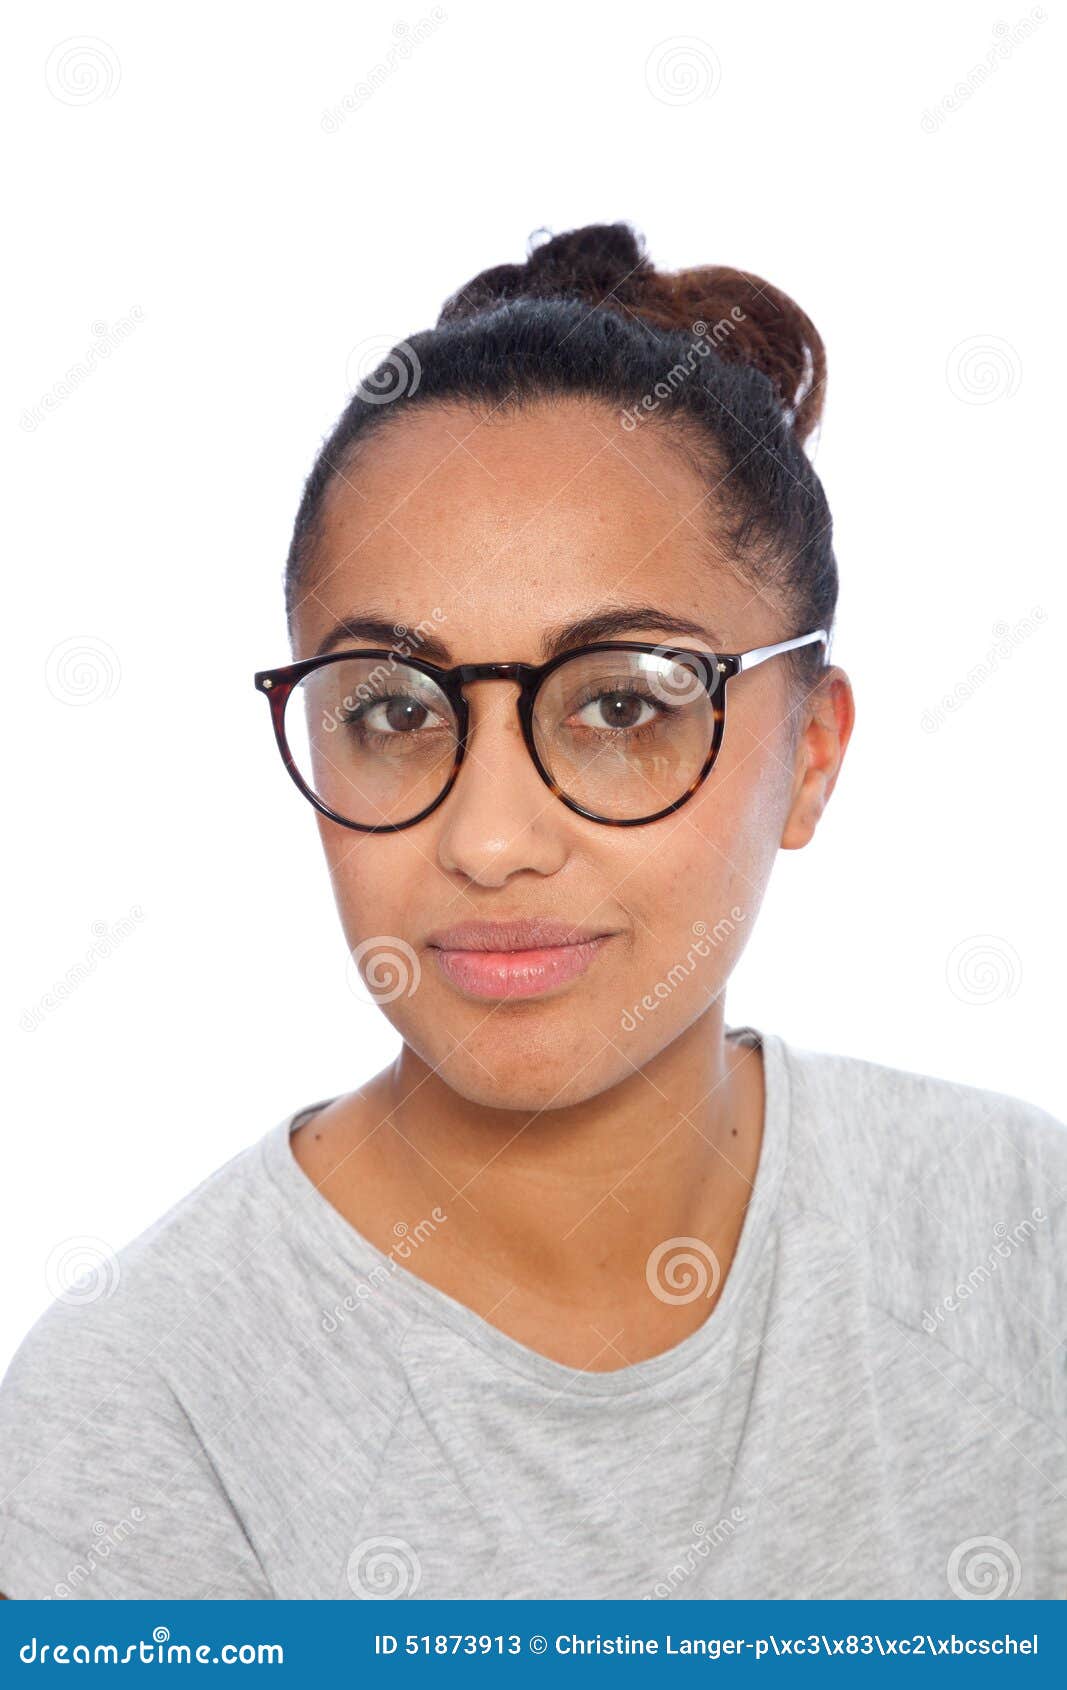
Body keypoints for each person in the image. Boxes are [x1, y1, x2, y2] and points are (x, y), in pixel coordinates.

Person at [1, 223, 1063, 1602]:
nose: (489, 839)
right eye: (391, 708)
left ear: (811, 753)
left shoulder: (1021, 1240)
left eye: (623, 703)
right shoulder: (143, 1408)